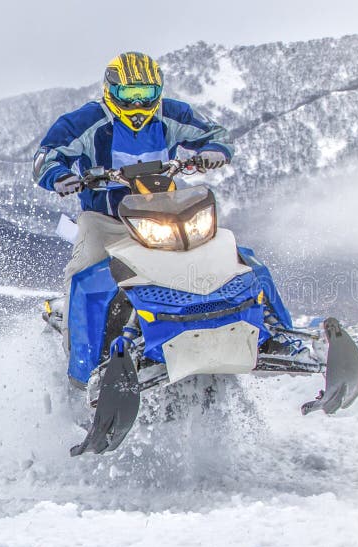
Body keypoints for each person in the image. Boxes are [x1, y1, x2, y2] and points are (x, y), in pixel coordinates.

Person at [33, 51, 233, 351]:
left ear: (158, 91)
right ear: (111, 91)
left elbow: (217, 134)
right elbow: (45, 155)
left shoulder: (172, 114)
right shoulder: (86, 121)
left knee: (227, 252)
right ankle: (78, 352)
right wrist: (59, 176)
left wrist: (214, 152)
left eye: (146, 93)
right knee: (84, 270)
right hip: (105, 219)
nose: (138, 103)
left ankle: (268, 329)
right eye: (129, 93)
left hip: (167, 213)